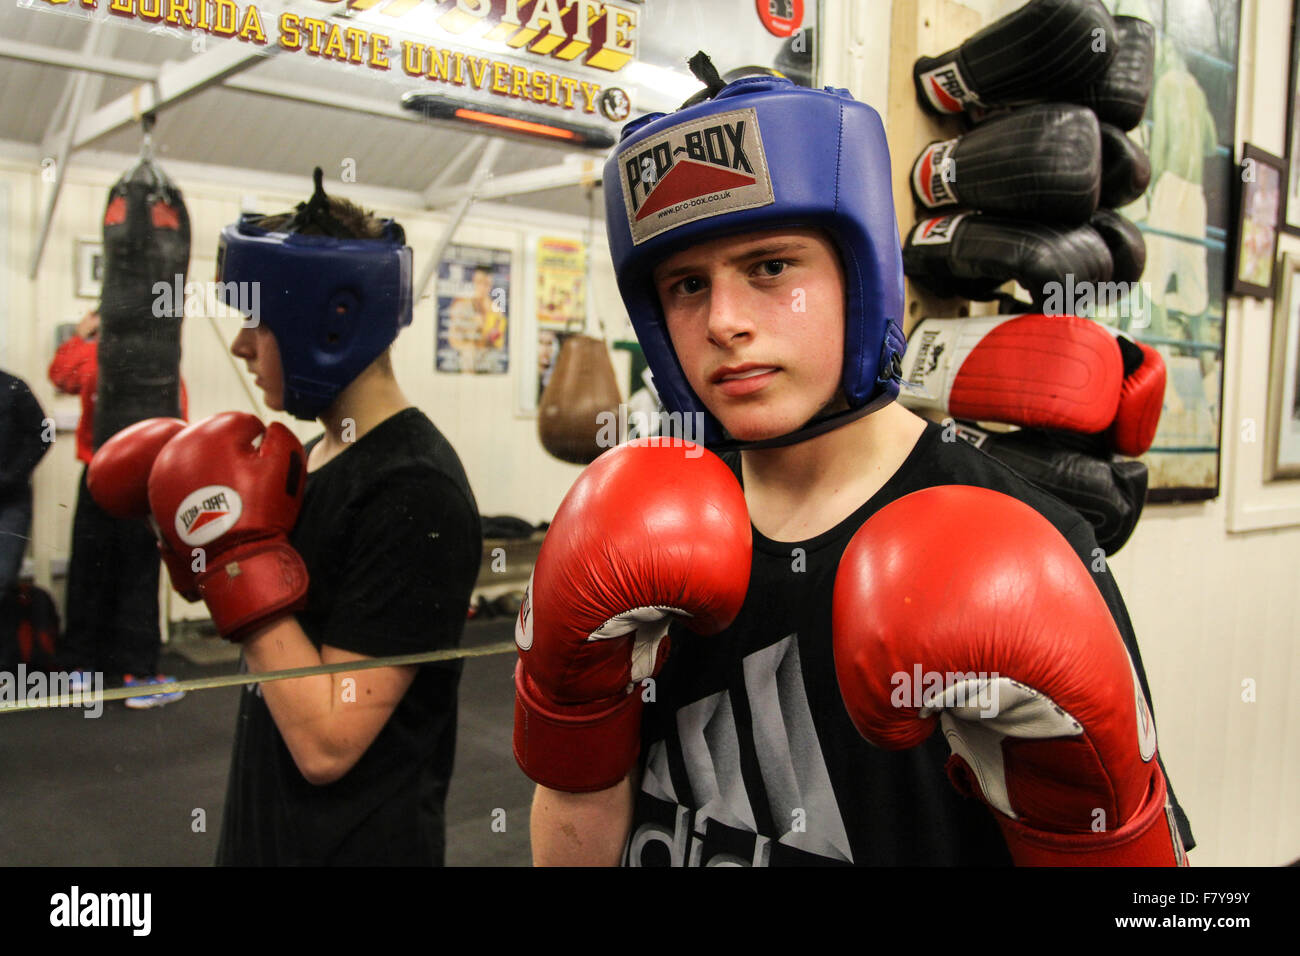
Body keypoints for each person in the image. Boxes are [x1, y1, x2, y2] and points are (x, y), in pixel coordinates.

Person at [516, 75, 1195, 866]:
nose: (724, 321)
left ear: (861, 276)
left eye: (770, 267)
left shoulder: (1025, 545)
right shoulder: (637, 524)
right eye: (688, 285)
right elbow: (574, 799)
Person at [167, 170, 478, 865]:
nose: (243, 346)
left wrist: (233, 554)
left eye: (258, 322)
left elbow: (328, 741)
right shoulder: (312, 456)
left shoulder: (413, 488)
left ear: (327, 320)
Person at [49, 310, 186, 707]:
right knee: (136, 574)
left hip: (99, 477)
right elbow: (179, 425)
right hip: (138, 483)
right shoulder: (160, 369)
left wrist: (80, 336)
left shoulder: (96, 360)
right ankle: (138, 676)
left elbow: (61, 374)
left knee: (91, 571)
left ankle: (82, 668)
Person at [0, 370, 50, 597]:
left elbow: (45, 433)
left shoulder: (13, 387)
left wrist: (12, 475)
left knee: (3, 575)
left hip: (10, 502)